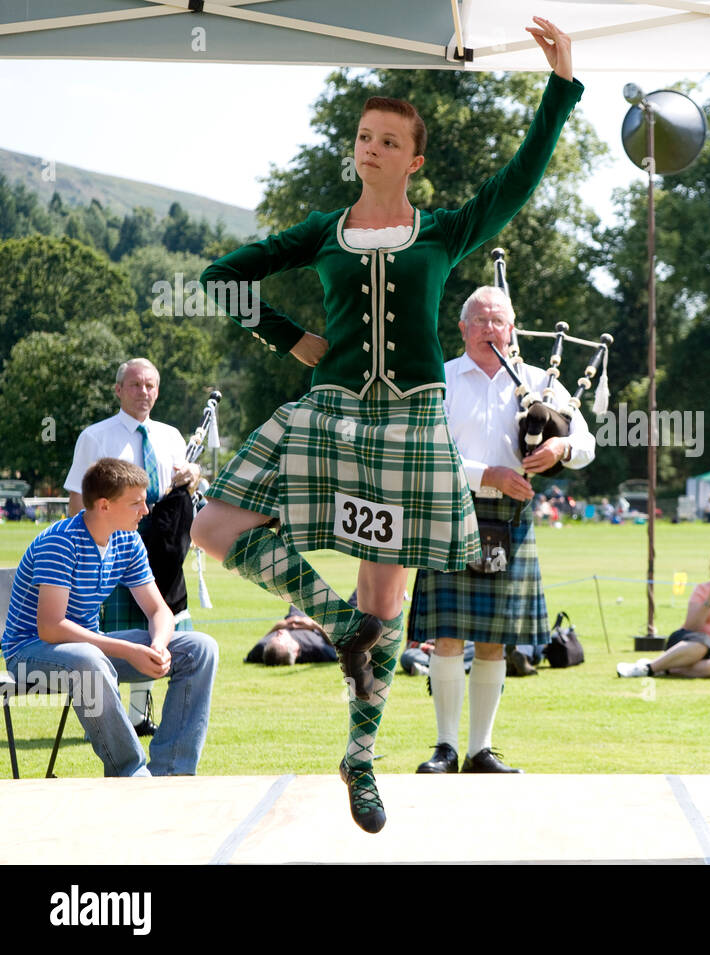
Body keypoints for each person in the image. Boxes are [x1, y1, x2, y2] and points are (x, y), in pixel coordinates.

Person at [189, 17, 581, 832]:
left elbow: (518, 181)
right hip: (329, 415)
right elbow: (218, 276)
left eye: (387, 140)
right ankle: (338, 625)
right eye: (363, 137)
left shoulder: (442, 229)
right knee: (213, 524)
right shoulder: (323, 232)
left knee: (387, 590)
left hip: (409, 428)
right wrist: (293, 337)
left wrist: (560, 86)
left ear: (414, 157)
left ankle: (360, 760)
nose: (369, 149)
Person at [409, 286, 594, 775]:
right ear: (463, 328)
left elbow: (586, 439)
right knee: (447, 636)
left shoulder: (539, 382)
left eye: (498, 321)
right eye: (480, 321)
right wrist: (487, 474)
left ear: (512, 329)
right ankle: (444, 748)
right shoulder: (441, 380)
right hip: (453, 511)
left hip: (511, 519)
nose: (490, 329)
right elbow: (425, 453)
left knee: (494, 640)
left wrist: (562, 451)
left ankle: (480, 751)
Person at [2, 458, 218, 777]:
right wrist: (128, 650)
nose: (145, 512)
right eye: (136, 504)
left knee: (201, 648)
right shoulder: (60, 542)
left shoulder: (127, 541)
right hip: (29, 654)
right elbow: (50, 628)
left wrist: (158, 646)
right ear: (104, 505)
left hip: (89, 651)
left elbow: (159, 610)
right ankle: (130, 774)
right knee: (89, 660)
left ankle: (173, 772)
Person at [64, 358, 203, 738]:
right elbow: (79, 499)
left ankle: (140, 715)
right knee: (117, 632)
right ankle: (105, 718)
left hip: (166, 543)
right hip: (115, 545)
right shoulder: (96, 436)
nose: (144, 392)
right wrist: (87, 549)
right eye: (136, 385)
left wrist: (194, 475)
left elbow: (186, 484)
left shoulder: (171, 435)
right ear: (118, 390)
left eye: (151, 386)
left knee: (161, 623)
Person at [616, 542, 710, 679]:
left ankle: (665, 668)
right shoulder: (703, 589)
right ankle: (647, 668)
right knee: (703, 643)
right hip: (689, 641)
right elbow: (692, 626)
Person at [245, 607, 338, 665]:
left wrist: (277, 626)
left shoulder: (262, 648)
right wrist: (316, 625)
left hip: (298, 613)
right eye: (279, 637)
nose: (279, 632)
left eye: (274, 637)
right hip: (322, 625)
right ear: (295, 650)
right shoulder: (317, 649)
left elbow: (257, 647)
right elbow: (338, 652)